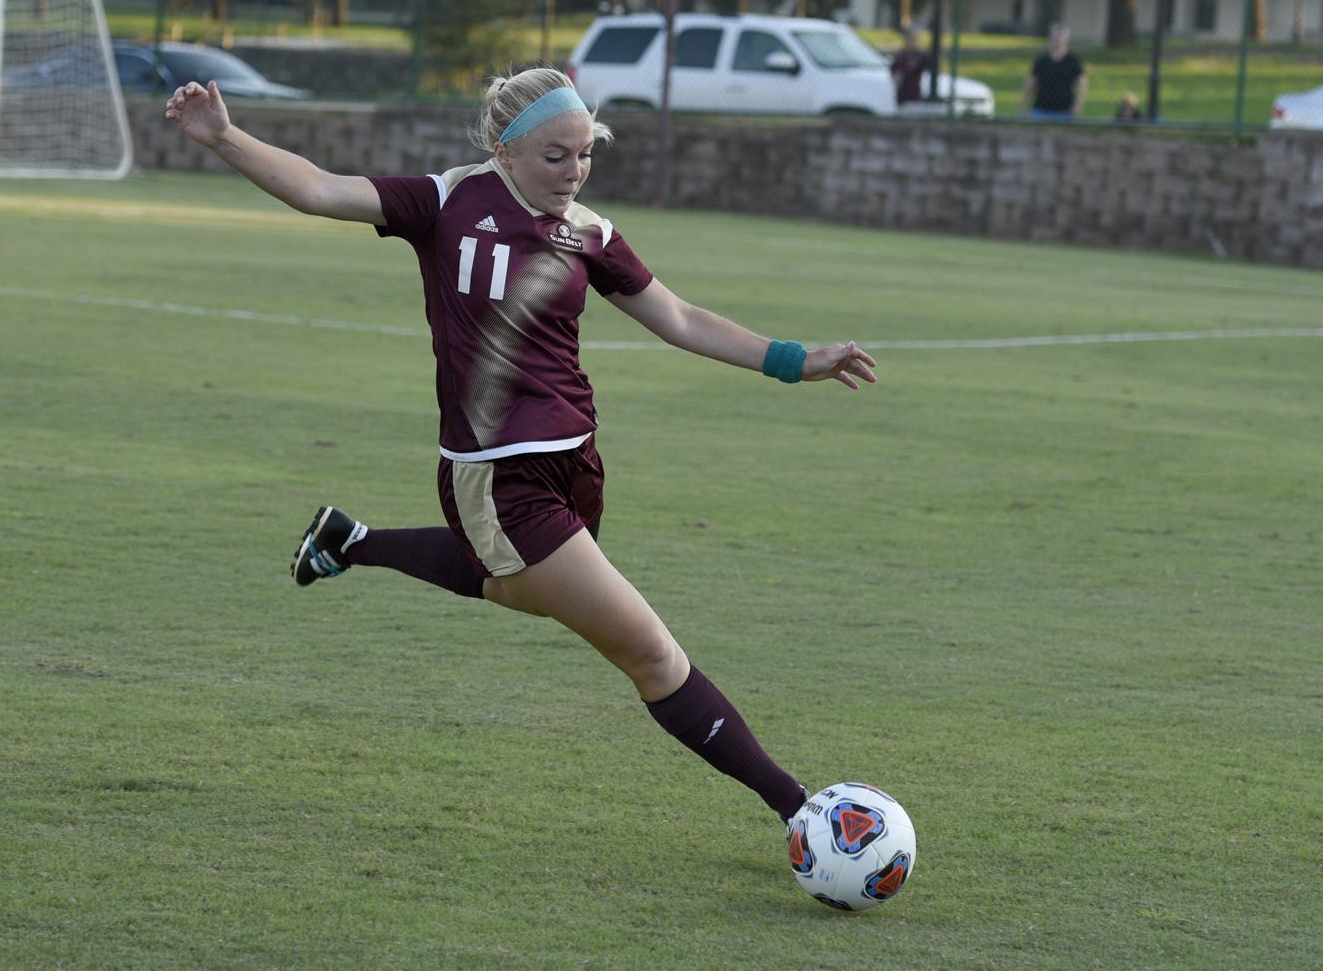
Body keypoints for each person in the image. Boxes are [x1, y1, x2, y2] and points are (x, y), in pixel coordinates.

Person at [163, 65, 878, 842]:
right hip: (502, 479)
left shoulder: (588, 232)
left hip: (576, 460)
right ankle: (805, 812)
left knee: (517, 592)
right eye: (555, 156)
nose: (574, 172)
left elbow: (678, 317)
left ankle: (352, 542)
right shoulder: (444, 202)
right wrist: (225, 137)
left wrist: (792, 358)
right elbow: (318, 188)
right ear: (505, 150)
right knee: (651, 653)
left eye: (585, 154)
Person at [1022, 22, 1087, 121]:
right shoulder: (1041, 61)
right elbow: (1031, 83)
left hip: (1064, 112)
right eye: (1055, 36)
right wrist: (1024, 105)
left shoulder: (1073, 62)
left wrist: (1077, 106)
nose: (1058, 40)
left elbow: (1082, 84)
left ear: (1067, 39)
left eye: (1061, 36)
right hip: (1040, 110)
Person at [887, 26, 933, 107]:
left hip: (916, 96)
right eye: (907, 38)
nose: (909, 41)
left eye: (912, 38)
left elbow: (930, 68)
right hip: (902, 97)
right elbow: (894, 73)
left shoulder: (921, 56)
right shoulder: (899, 56)